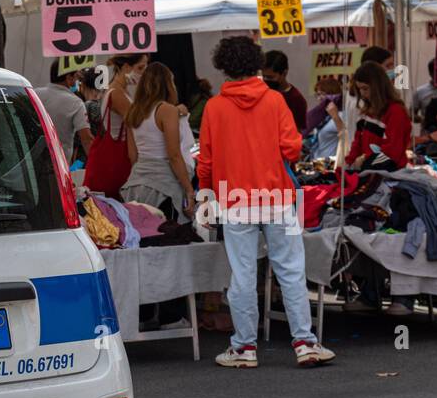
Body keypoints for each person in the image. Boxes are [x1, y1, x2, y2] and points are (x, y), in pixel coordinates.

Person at [196, 35, 334, 369]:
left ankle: (244, 348)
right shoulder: (274, 102)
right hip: (277, 196)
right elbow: (292, 149)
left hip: (235, 199)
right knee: (290, 270)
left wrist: (204, 197)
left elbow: (206, 162)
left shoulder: (214, 107)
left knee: (242, 274)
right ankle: (305, 343)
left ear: (223, 66)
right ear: (257, 64)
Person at [121, 62, 195, 221]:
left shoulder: (133, 112)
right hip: (164, 185)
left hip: (136, 183)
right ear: (168, 84)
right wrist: (189, 190)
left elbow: (132, 155)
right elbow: (174, 155)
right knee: (169, 235)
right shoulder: (166, 110)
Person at [83, 52, 147, 197]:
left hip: (113, 159)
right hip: (118, 161)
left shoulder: (119, 90)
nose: (143, 73)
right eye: (141, 68)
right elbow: (135, 125)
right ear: (126, 67)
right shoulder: (117, 93)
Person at [345, 60, 410, 171]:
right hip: (369, 169)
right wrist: (349, 163)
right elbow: (358, 142)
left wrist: (365, 159)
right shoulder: (366, 112)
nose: (362, 93)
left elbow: (393, 149)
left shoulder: (396, 112)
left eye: (365, 88)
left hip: (388, 173)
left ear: (378, 86)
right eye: (359, 89)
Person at [34, 61, 92, 165]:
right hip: (59, 166)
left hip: (32, 165)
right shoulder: (76, 103)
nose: (78, 81)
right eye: (76, 77)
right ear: (69, 78)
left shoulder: (35, 94)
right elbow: (86, 139)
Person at [262, 49, 308, 132]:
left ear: (284, 73)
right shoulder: (262, 92)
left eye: (270, 77)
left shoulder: (296, 100)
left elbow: (296, 133)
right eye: (263, 76)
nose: (265, 80)